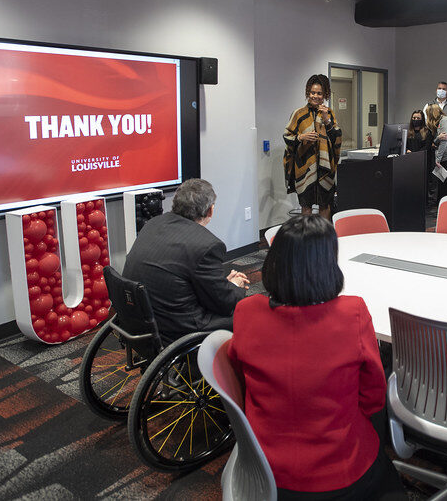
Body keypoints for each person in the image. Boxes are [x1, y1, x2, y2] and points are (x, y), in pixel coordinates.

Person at [227, 215, 406, 500]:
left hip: (264, 470)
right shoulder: (352, 313)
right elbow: (373, 396)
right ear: (328, 265)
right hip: (341, 474)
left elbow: (238, 372)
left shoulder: (246, 311)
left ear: (273, 263)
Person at [122, 178, 249, 344]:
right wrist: (234, 286)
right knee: (249, 313)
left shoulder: (154, 222)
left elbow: (179, 273)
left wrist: (222, 285)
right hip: (177, 328)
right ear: (210, 210)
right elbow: (223, 304)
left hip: (138, 317)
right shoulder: (207, 245)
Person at [283, 74, 342, 220]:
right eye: (312, 92)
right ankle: (307, 237)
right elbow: (287, 136)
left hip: (325, 167)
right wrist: (301, 137)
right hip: (304, 167)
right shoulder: (299, 114)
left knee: (325, 204)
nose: (315, 96)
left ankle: (324, 236)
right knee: (306, 205)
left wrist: (326, 119)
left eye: (319, 93)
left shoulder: (329, 114)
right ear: (308, 93)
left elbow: (337, 137)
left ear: (325, 95)